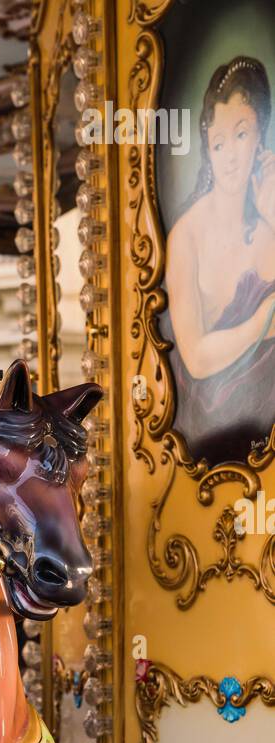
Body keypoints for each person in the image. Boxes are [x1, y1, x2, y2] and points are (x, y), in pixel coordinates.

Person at [165, 57, 275, 462]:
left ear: (261, 134)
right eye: (219, 142)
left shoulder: (270, 224)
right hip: (210, 434)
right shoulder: (186, 236)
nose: (229, 156)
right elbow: (194, 356)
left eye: (242, 134)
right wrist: (264, 317)